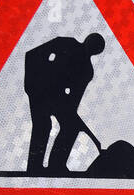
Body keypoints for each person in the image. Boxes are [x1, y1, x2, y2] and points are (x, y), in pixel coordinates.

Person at [23, 33, 106, 175]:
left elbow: (73, 103)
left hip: (57, 97)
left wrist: (82, 127)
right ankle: (34, 167)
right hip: (39, 90)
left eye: (96, 48)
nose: (91, 48)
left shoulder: (87, 71)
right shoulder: (67, 44)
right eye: (92, 43)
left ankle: (57, 165)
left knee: (71, 127)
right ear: (87, 39)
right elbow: (32, 55)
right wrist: (31, 82)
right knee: (43, 125)